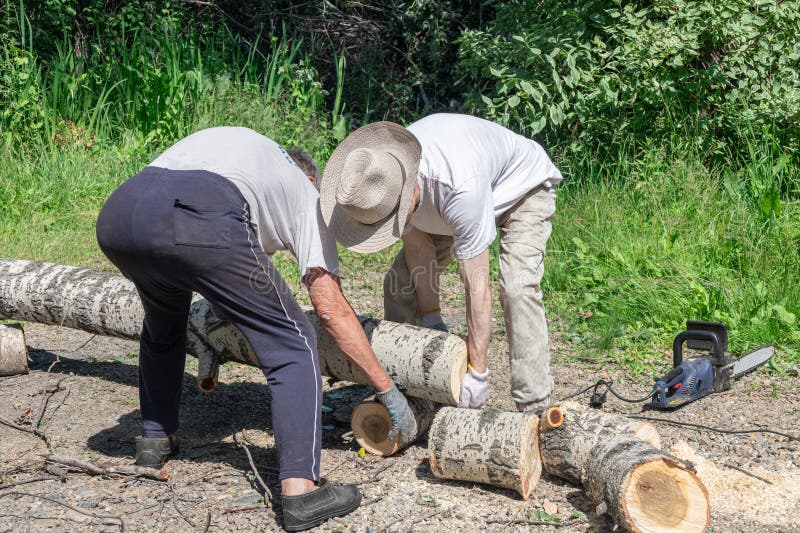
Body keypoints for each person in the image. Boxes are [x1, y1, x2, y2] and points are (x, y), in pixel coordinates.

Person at [95, 126, 417, 532]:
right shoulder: (308, 197)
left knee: (163, 324)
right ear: (312, 180)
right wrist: (386, 389)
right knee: (294, 343)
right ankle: (302, 492)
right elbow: (329, 310)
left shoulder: (245, 153)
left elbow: (206, 249)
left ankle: (154, 439)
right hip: (198, 215)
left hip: (120, 214)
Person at [319, 114, 563, 412]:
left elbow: (477, 288)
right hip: (447, 206)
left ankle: (534, 402)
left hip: (521, 189)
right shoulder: (384, 179)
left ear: (408, 195)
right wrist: (431, 317)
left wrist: (479, 373)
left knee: (516, 287)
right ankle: (408, 382)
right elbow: (420, 251)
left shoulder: (459, 189)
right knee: (399, 284)